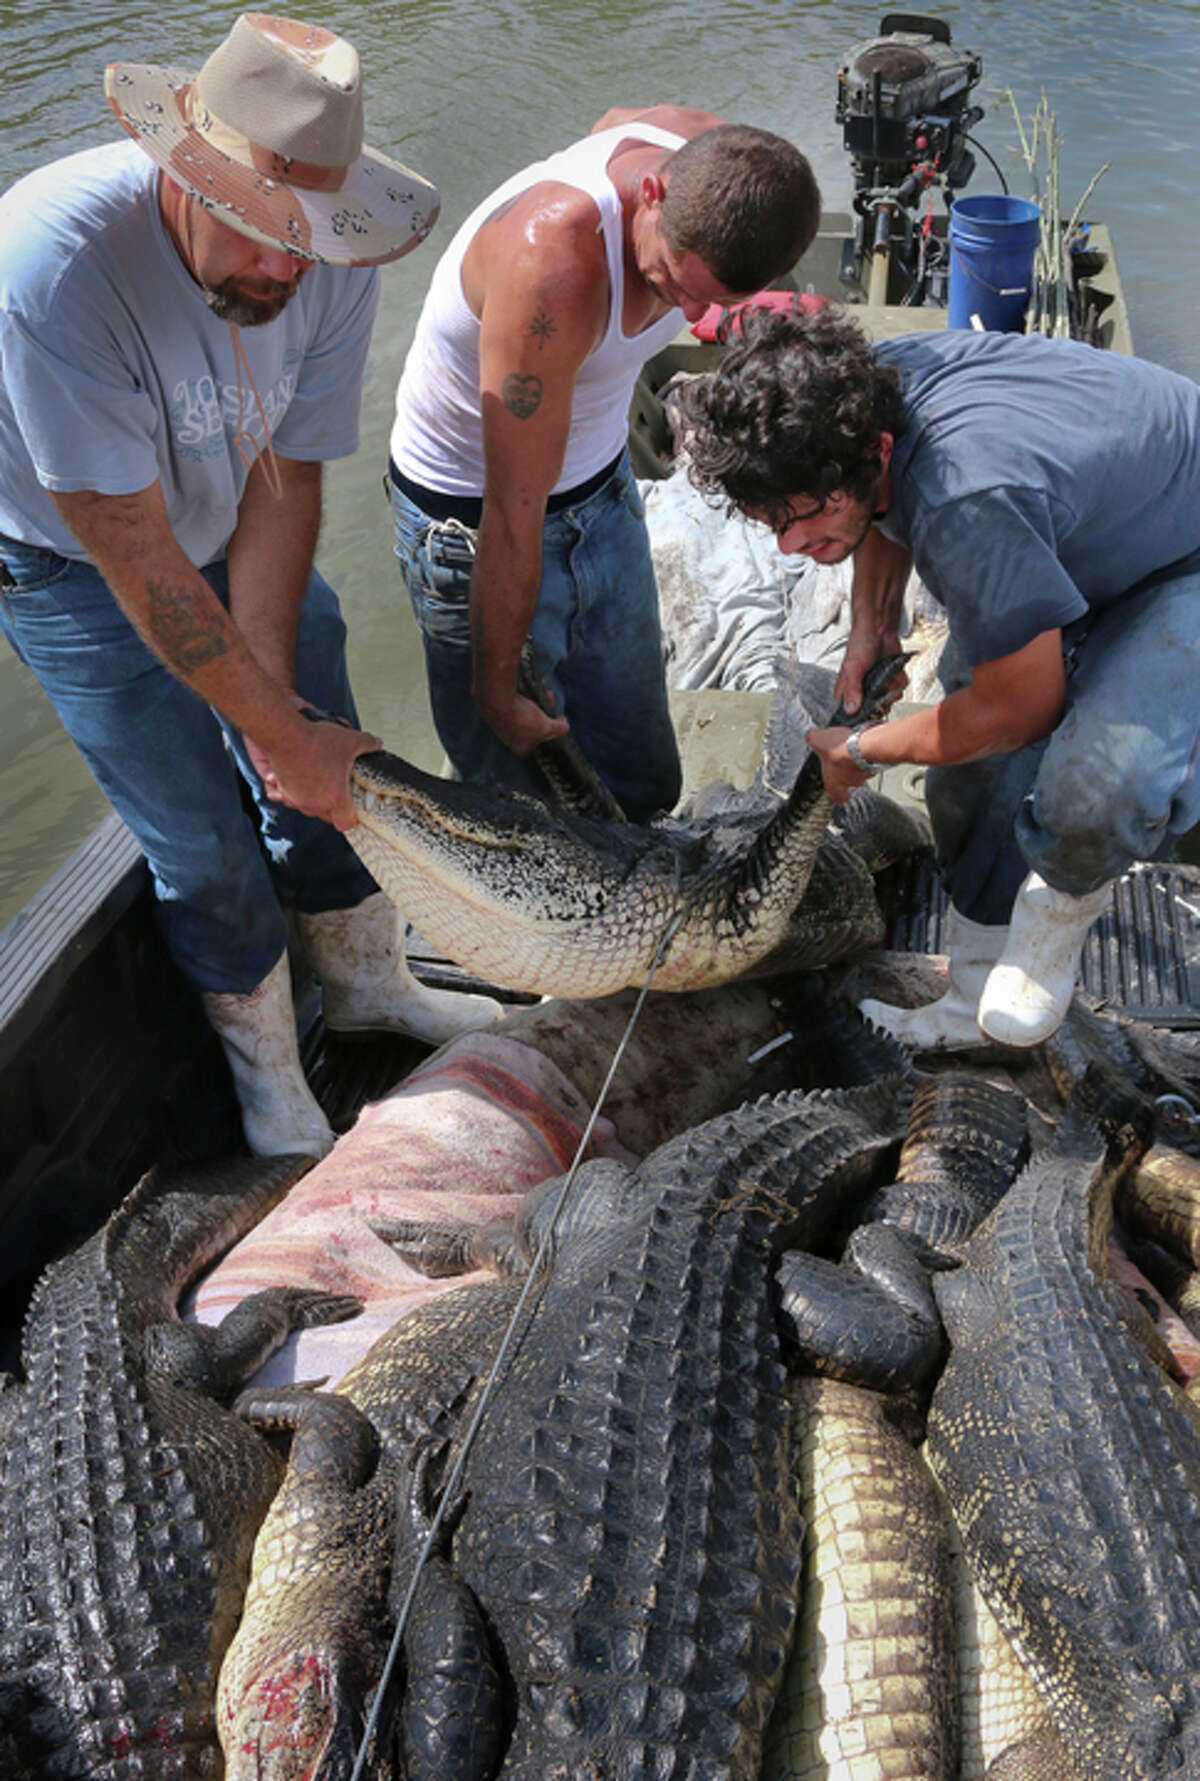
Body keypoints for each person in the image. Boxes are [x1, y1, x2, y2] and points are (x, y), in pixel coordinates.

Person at [0, 12, 501, 1163]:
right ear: (186, 174)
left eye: (307, 237)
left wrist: (280, 714)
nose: (284, 265)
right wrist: (268, 727)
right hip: (72, 559)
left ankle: (369, 986)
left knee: (315, 751)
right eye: (257, 228)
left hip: (232, 512)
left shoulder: (330, 255)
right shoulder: (55, 269)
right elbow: (132, 553)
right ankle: (270, 1076)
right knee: (197, 837)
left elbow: (286, 479)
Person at [677, 305, 1200, 1049]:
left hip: (1184, 553)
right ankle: (973, 990)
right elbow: (881, 507)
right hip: (1071, 527)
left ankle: (1049, 940)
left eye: (805, 519)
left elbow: (1023, 708)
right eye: (773, 522)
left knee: (1095, 785)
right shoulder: (856, 397)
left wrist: (863, 752)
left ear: (874, 450)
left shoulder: (968, 496)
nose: (791, 545)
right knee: (964, 780)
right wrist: (872, 623)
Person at [387, 108, 820, 822]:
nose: (684, 308)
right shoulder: (551, 271)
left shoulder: (702, 149)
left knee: (645, 781)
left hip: (600, 484)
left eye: (713, 301)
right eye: (678, 284)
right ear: (651, 192)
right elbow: (512, 509)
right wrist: (497, 691)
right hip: (475, 517)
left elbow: (611, 120)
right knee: (517, 811)